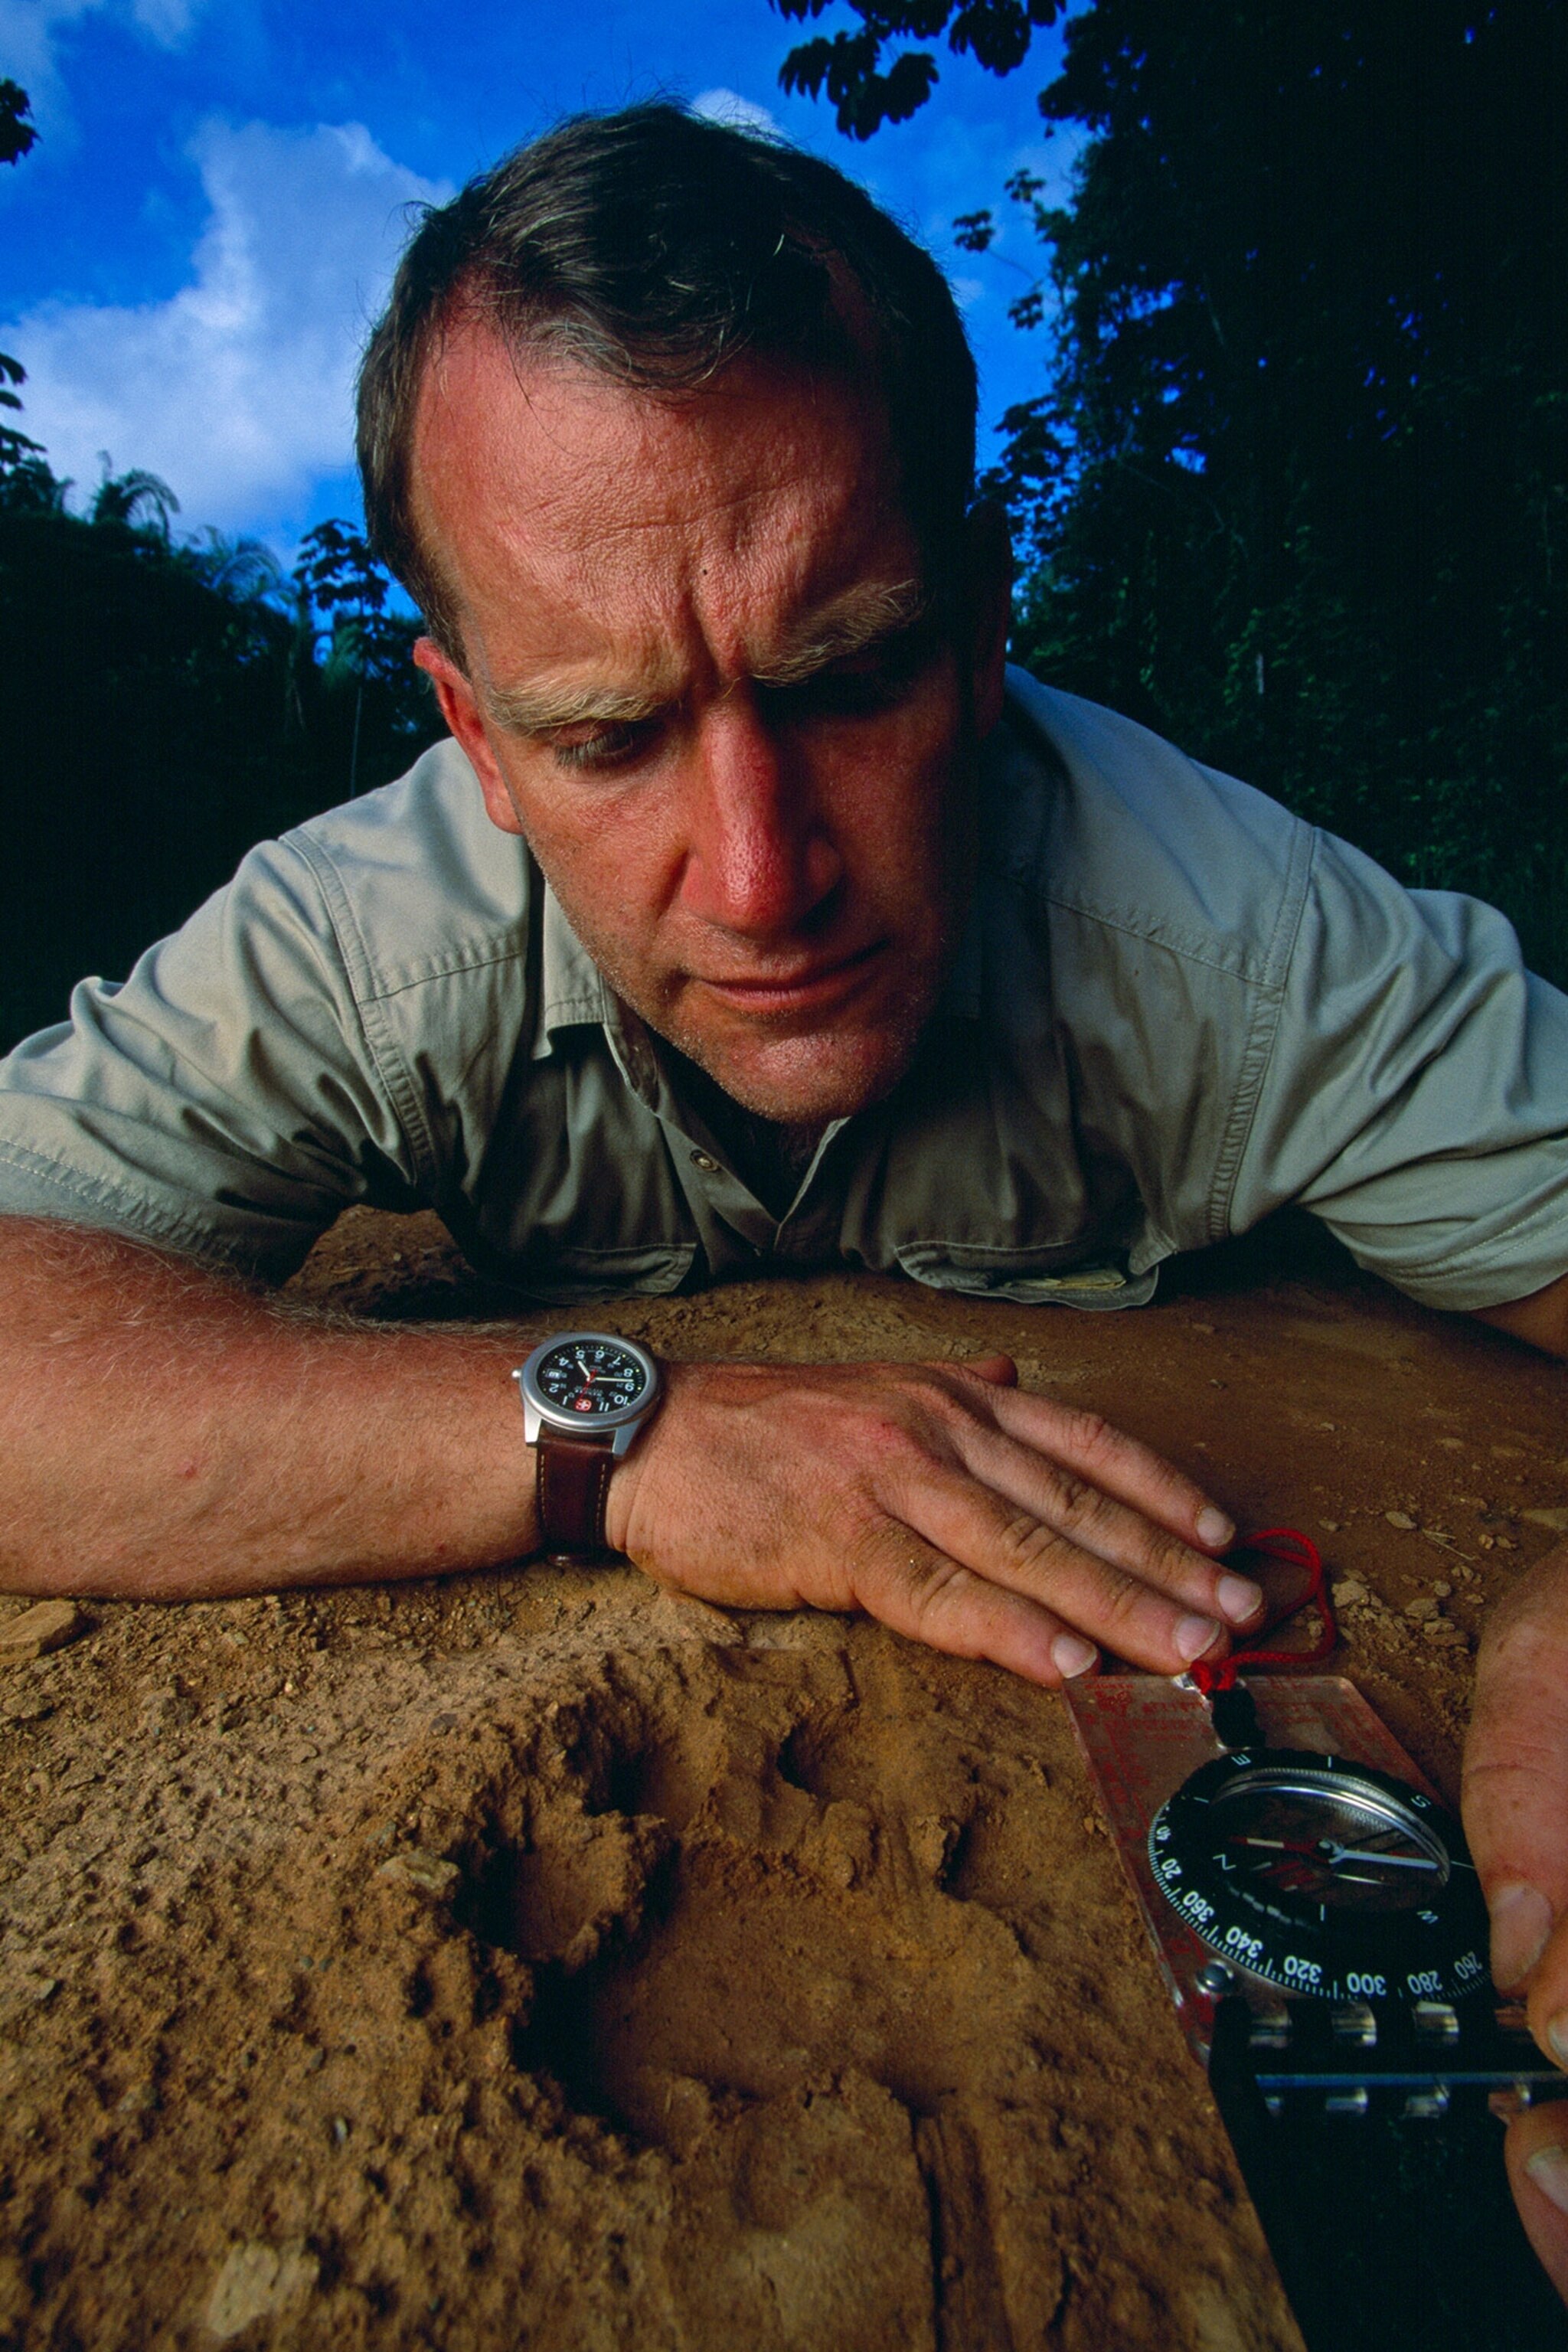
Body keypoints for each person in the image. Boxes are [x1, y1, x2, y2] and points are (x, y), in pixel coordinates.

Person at [2, 103, 1566, 2291]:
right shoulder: (358, 943)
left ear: (984, 629)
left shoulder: (1239, 936)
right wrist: (619, 1437)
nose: (759, 880)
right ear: (472, 735)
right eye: (604, 737)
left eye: (846, 680)